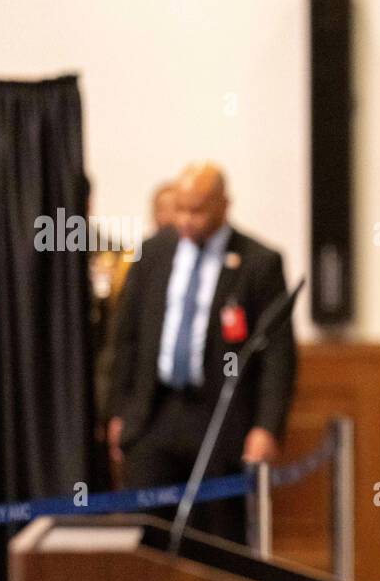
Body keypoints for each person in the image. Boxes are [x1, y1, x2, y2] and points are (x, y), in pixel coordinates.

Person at [108, 162, 296, 545]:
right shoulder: (154, 253)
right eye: (180, 209)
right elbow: (125, 339)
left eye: (197, 210)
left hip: (221, 420)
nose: (186, 220)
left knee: (219, 537)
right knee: (147, 535)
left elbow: (278, 356)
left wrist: (266, 426)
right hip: (155, 414)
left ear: (223, 205)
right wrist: (117, 410)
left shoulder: (258, 263)